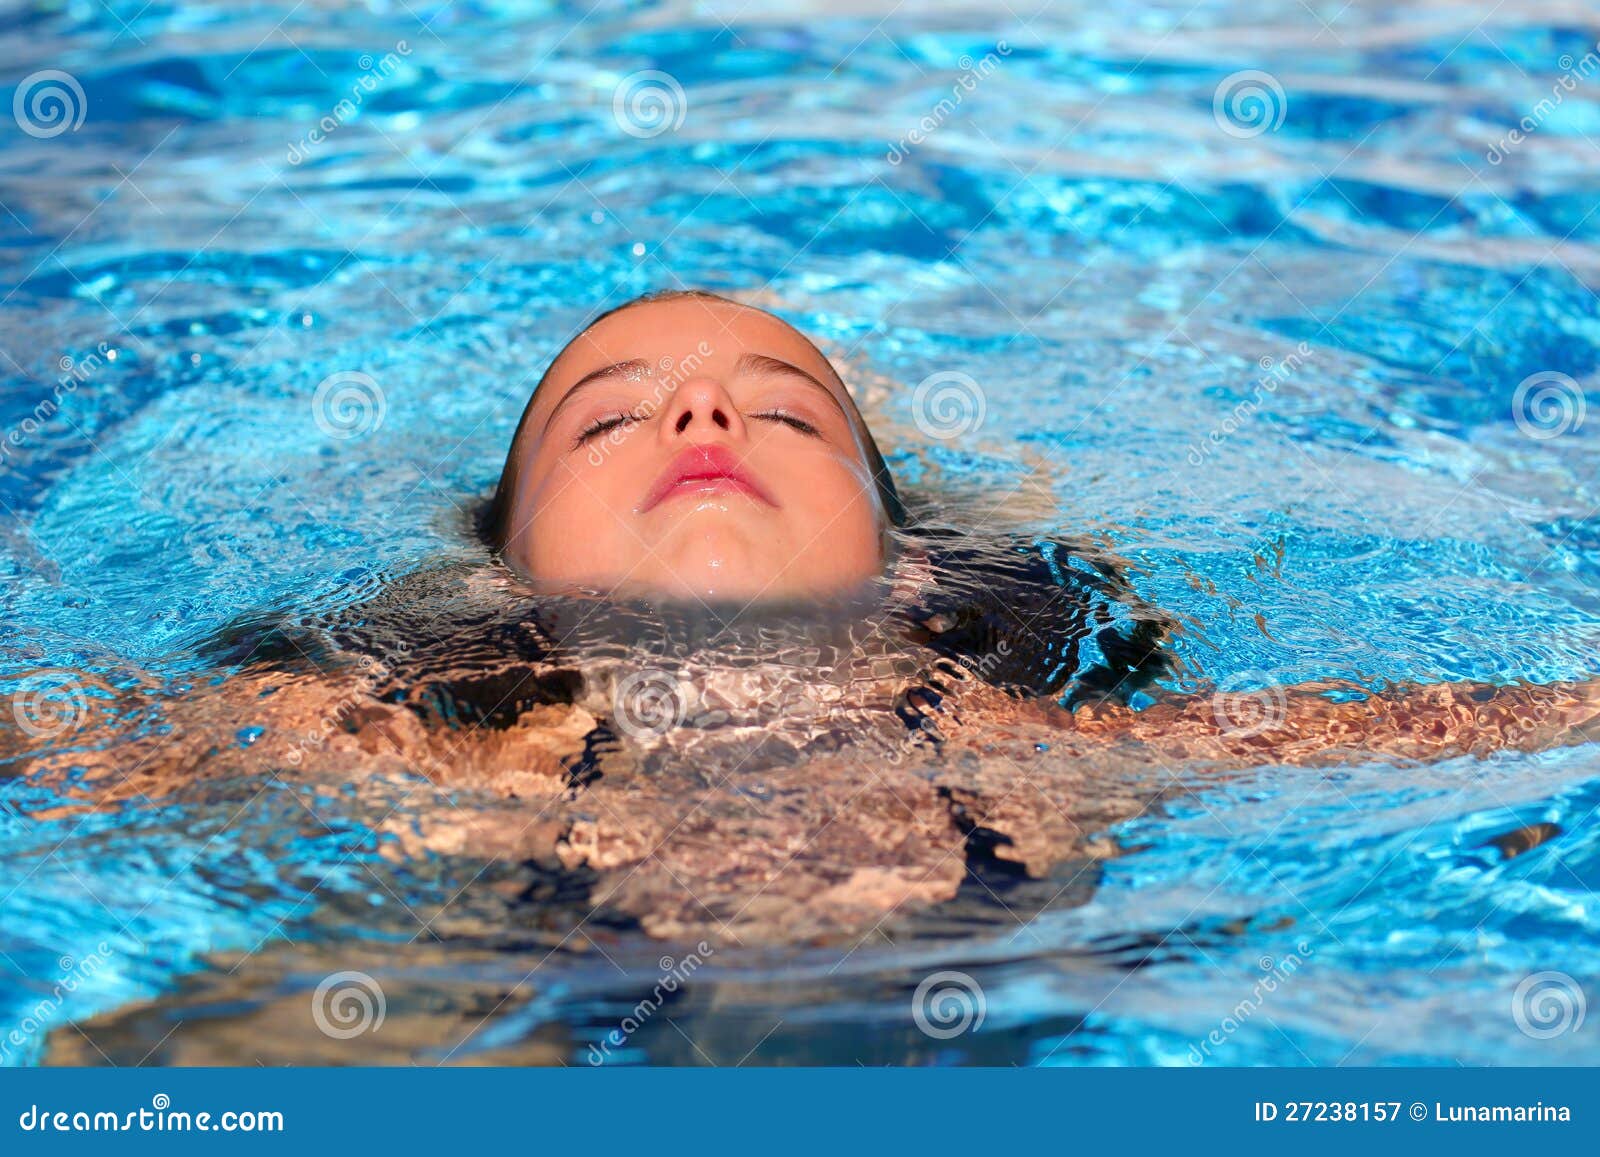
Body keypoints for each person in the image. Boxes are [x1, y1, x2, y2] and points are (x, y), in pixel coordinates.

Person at [7, 289, 1597, 939]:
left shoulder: (1035, 748)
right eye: (610, 420)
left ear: (905, 566)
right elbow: (76, 753)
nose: (703, 415)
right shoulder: (406, 750)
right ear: (500, 574)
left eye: (784, 415)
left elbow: (1439, 734)